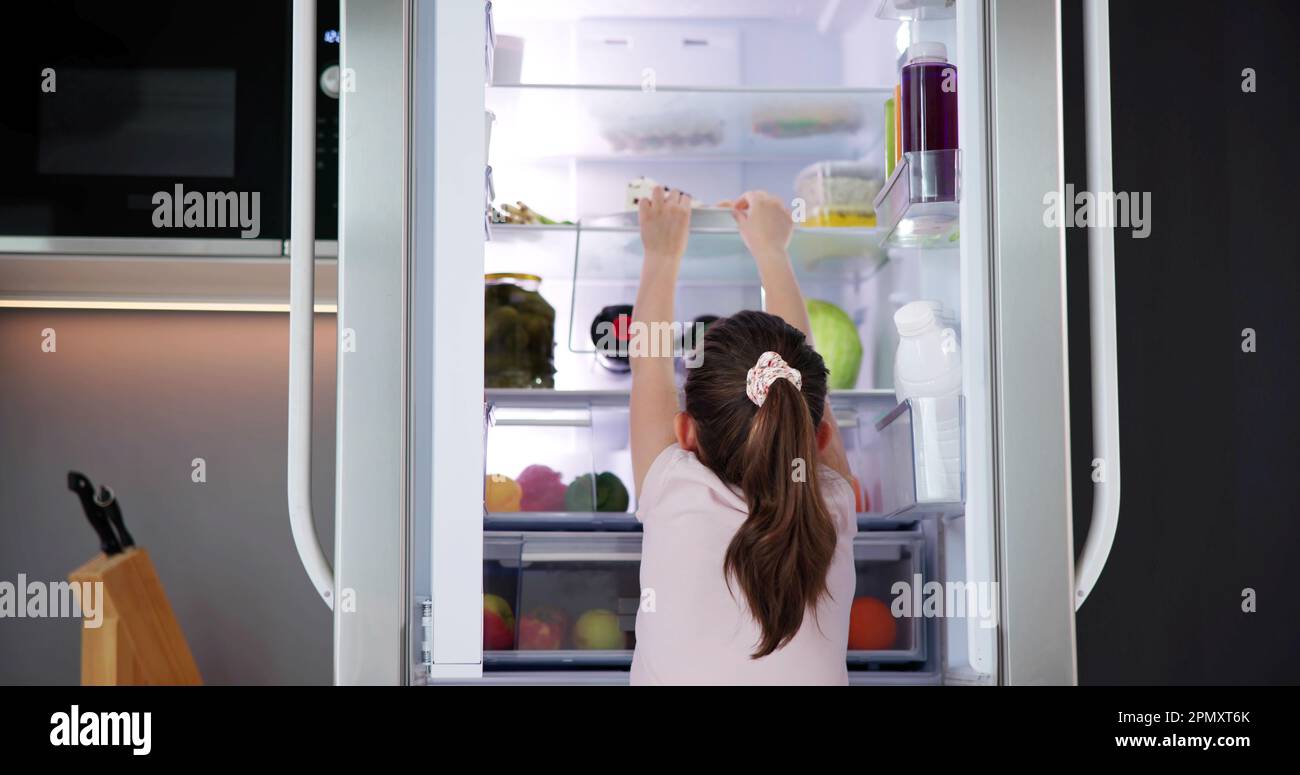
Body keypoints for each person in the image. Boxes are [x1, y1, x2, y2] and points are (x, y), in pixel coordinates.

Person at [628, 186, 857, 685]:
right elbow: (797, 392)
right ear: (815, 437)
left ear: (686, 432)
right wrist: (772, 250)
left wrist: (663, 251)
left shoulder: (675, 492)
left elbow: (649, 371)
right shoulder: (831, 502)